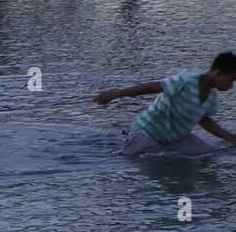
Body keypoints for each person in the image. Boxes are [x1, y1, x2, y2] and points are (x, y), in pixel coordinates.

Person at [93, 51, 236, 155]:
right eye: (230, 79)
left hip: (177, 139)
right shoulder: (185, 81)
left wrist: (231, 138)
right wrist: (114, 95)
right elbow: (150, 87)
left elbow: (205, 121)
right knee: (123, 159)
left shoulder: (211, 99)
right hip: (148, 132)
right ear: (217, 73)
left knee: (211, 154)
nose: (231, 85)